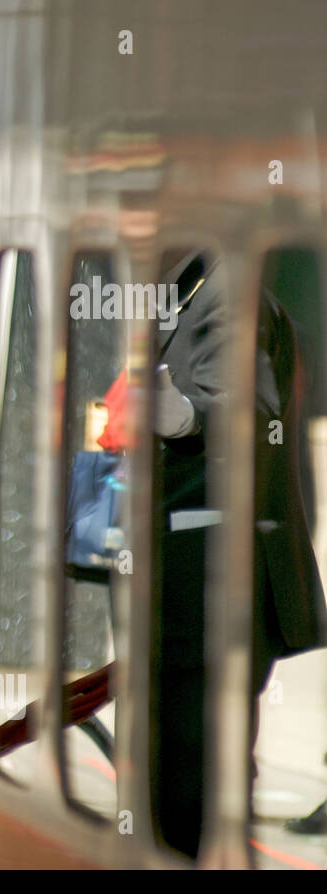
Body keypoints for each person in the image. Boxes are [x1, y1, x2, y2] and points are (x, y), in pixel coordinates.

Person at [150, 248, 326, 858]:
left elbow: (249, 406)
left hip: (215, 591)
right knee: (186, 780)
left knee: (198, 787)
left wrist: (185, 417)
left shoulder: (230, 296)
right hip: (189, 589)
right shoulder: (184, 291)